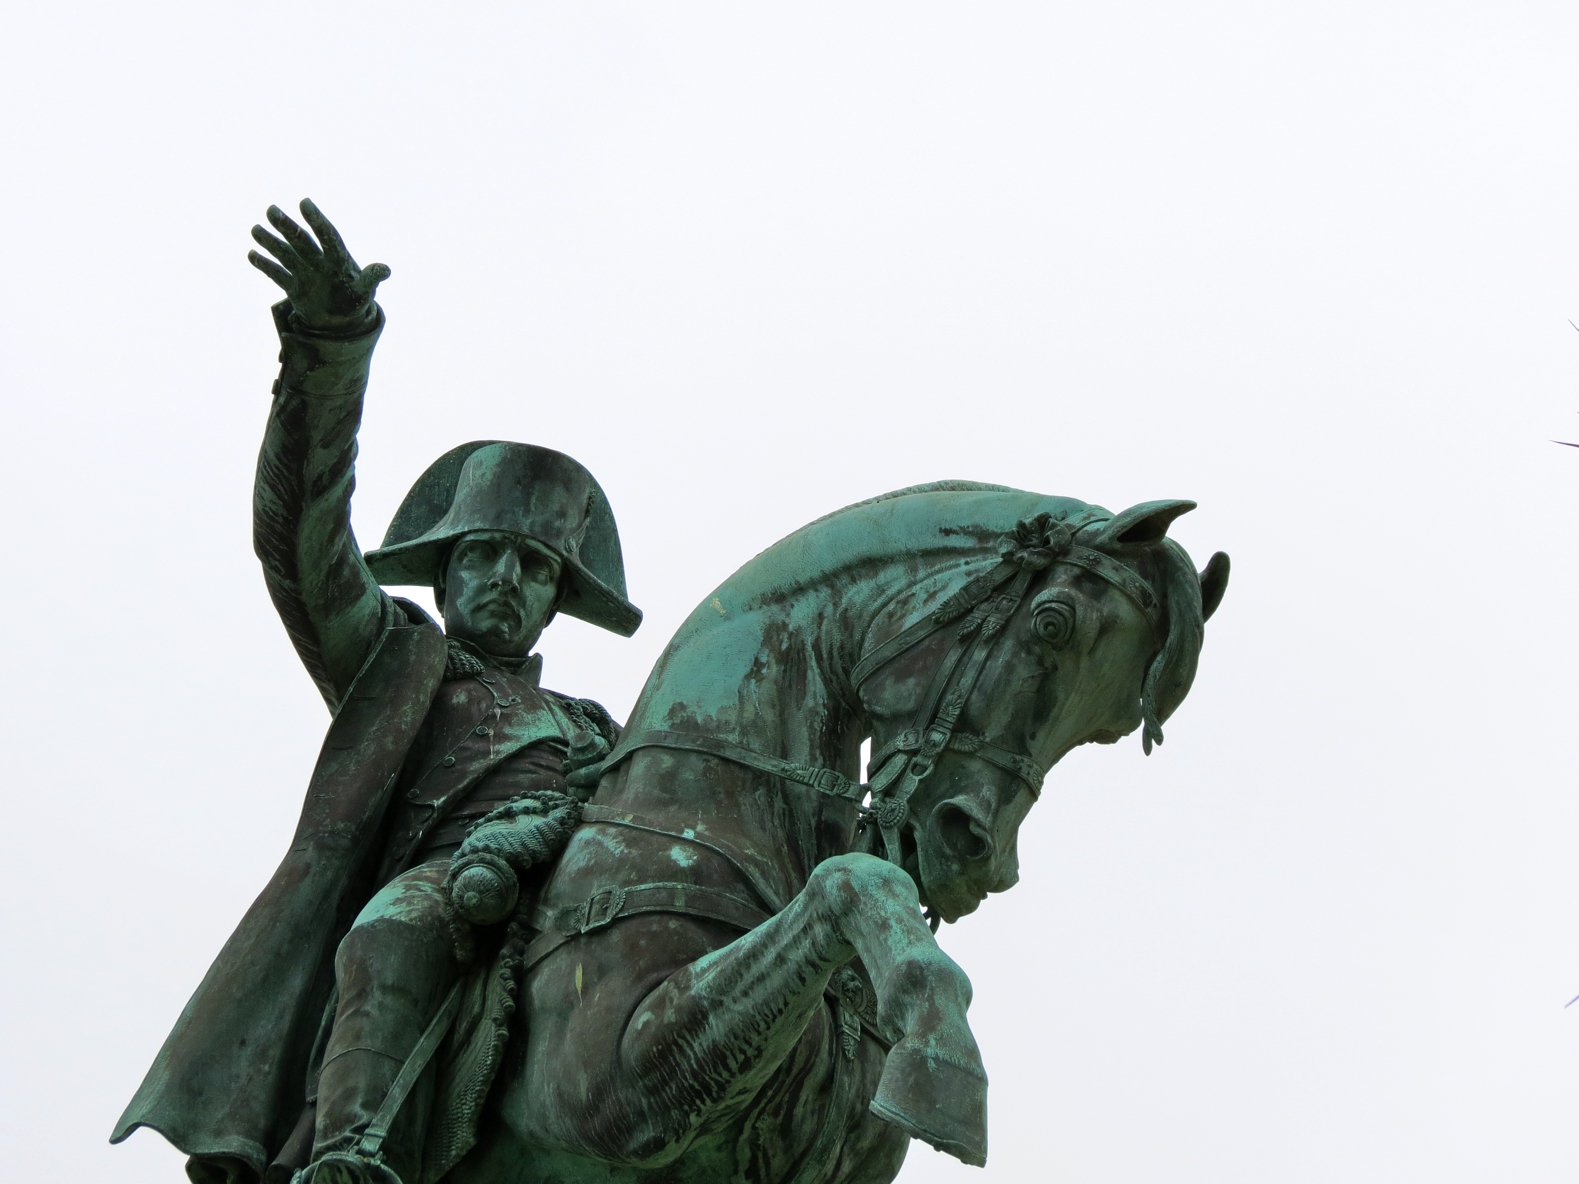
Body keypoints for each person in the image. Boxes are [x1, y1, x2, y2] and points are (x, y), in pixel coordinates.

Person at [111, 201, 641, 1184]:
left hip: (583, 904)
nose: (508, 579)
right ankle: (350, 1148)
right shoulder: (400, 659)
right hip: (448, 891)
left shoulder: (595, 726)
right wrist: (332, 349)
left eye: (535, 567)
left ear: (555, 599)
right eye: (486, 553)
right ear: (443, 573)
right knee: (396, 922)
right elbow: (302, 541)